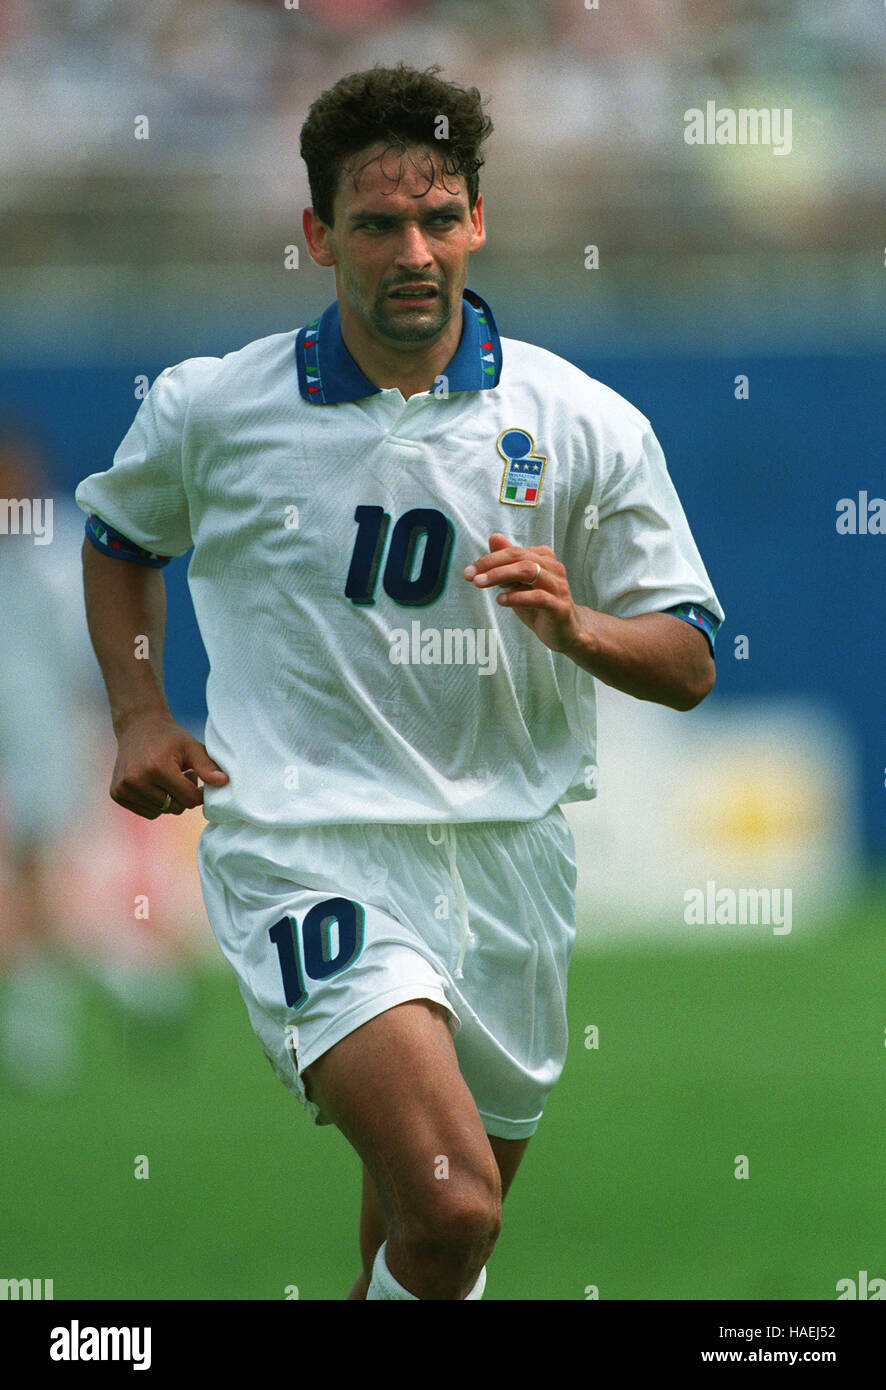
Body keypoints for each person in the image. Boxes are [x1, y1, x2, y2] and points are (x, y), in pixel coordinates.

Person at [76, 62, 724, 1301]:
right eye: (376, 223)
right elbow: (120, 541)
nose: (412, 250)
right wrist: (140, 706)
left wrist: (574, 627)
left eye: (438, 217)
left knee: (421, 1252)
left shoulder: (582, 421)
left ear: (478, 218)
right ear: (319, 235)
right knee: (452, 1201)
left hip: (508, 862)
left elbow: (688, 655)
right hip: (306, 847)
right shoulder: (215, 407)